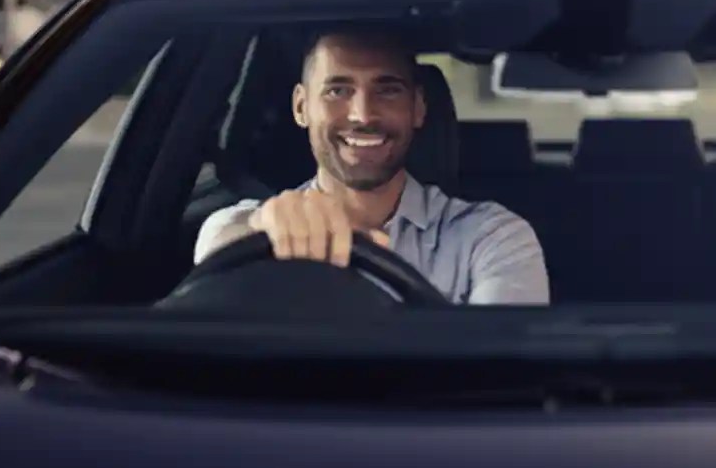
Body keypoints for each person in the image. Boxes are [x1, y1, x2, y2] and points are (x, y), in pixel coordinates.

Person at [193, 29, 550, 305]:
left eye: (387, 90)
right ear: (301, 107)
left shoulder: (490, 239)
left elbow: (499, 378)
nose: (363, 115)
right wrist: (260, 232)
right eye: (338, 91)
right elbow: (220, 241)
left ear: (419, 108)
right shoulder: (249, 227)